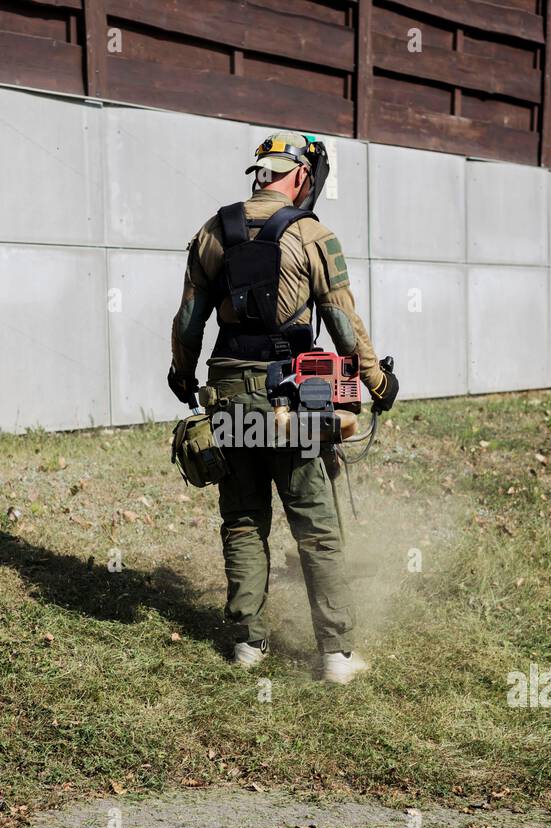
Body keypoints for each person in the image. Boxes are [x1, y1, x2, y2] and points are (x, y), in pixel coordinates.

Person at [166, 131, 399, 684]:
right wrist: (377, 381)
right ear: (298, 177)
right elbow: (343, 324)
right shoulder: (313, 234)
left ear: (260, 174)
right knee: (315, 525)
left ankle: (248, 643)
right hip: (286, 396)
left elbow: (187, 321)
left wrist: (182, 374)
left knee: (243, 519)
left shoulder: (212, 231)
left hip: (226, 393)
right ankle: (336, 655)